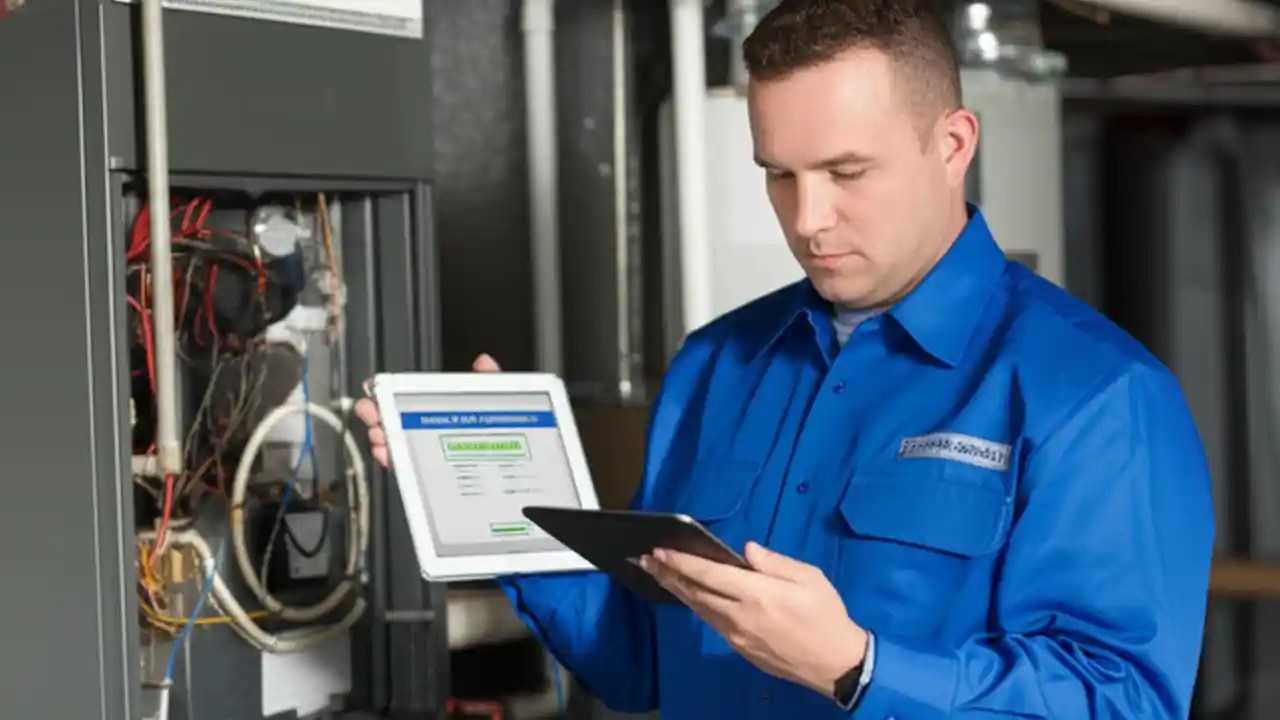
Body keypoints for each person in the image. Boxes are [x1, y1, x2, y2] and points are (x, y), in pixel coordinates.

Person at [356, 0, 1215, 716]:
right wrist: (498, 509)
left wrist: (859, 667)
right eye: (780, 175)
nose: (808, 220)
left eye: (847, 172)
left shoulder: (1098, 395)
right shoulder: (717, 366)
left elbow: (1124, 700)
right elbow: (639, 665)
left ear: (953, 145)